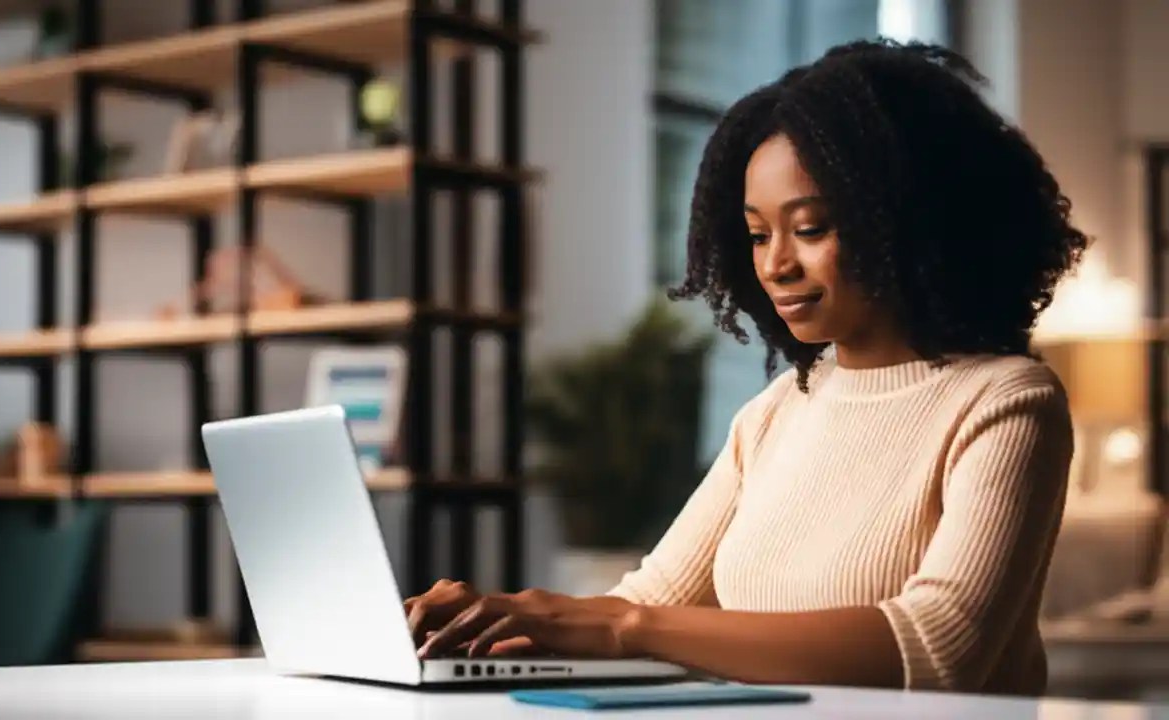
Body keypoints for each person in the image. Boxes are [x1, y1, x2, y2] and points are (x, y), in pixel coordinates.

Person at [405, 39, 1087, 696]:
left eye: (811, 228)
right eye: (758, 234)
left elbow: (940, 647)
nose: (775, 264)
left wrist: (626, 626)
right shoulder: (777, 411)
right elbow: (649, 599)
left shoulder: (1006, 401)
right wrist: (482, 638)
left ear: (910, 222)